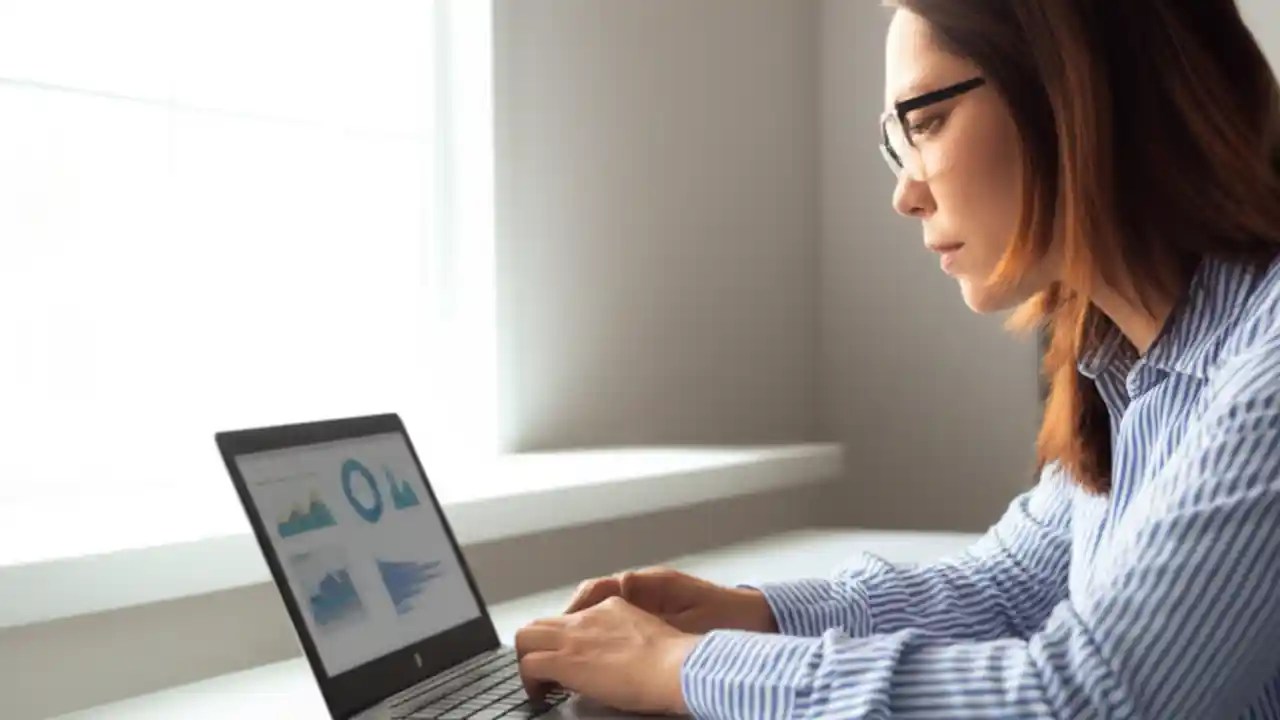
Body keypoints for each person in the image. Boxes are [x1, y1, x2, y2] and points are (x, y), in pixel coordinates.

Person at [515, 1, 1280, 716]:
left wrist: (680, 668)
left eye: (929, 121)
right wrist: (755, 614)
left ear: (1079, 88)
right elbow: (1010, 589)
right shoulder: (1132, 367)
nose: (905, 193)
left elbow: (1084, 698)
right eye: (897, 142)